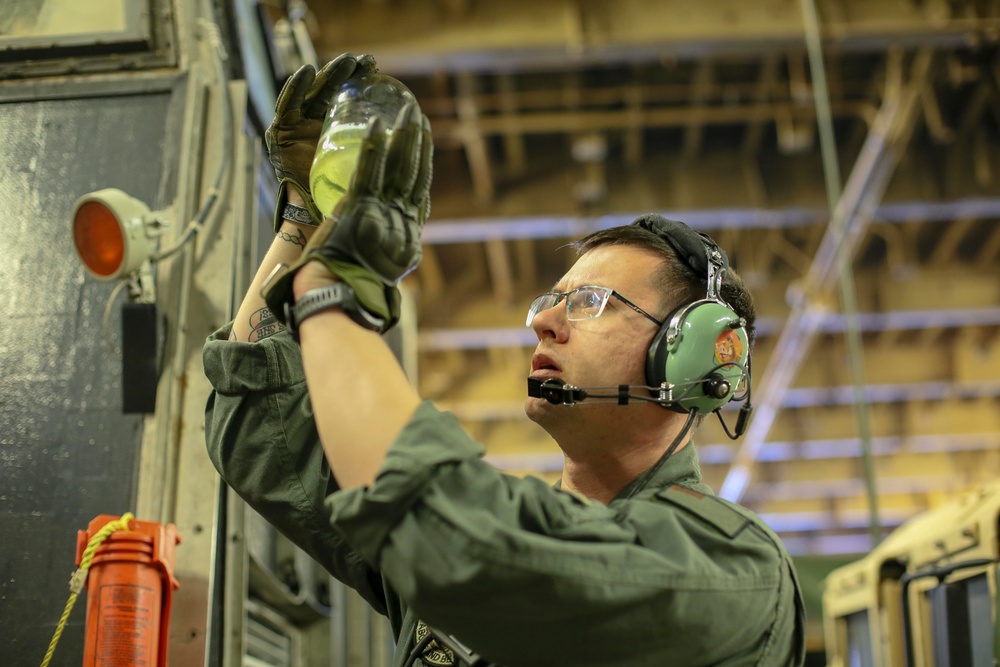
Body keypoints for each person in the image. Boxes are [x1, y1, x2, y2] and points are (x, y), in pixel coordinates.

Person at [203, 53, 806, 667]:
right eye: (552, 300)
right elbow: (261, 425)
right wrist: (305, 222)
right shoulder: (475, 527)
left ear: (689, 357)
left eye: (593, 302)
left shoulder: (729, 569)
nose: (544, 320)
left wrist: (335, 284)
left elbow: (476, 549)